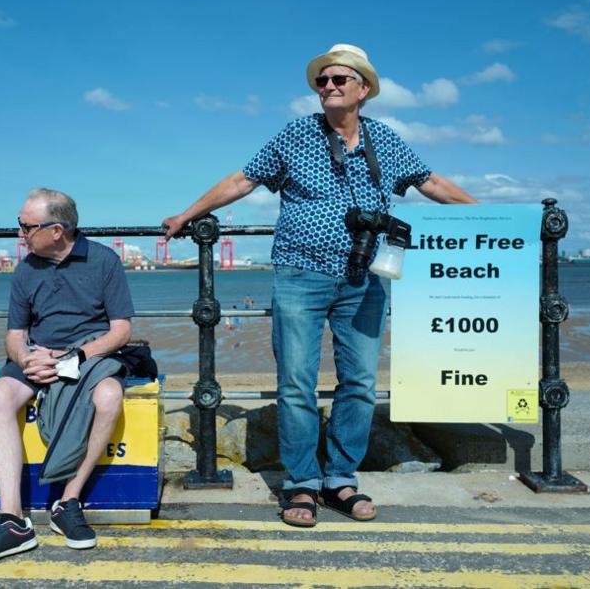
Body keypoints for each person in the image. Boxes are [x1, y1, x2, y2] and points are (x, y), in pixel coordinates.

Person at [162, 44, 476, 528]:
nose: (327, 87)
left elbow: (431, 183)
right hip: (299, 275)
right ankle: (301, 484)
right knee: (295, 385)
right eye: (322, 81)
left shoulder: (387, 141)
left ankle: (341, 480)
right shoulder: (296, 134)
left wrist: (498, 220)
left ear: (362, 90)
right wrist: (188, 214)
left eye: (338, 80)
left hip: (365, 278)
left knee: (360, 385)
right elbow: (243, 181)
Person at [0, 188, 134, 564]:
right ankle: (12, 520)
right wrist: (27, 357)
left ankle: (67, 501)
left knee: (109, 397)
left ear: (56, 230)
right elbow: (15, 334)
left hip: (89, 355)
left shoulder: (104, 260)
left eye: (25, 226)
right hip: (37, 356)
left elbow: (120, 332)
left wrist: (75, 357)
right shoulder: (25, 269)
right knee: (0, 395)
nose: (20, 233)